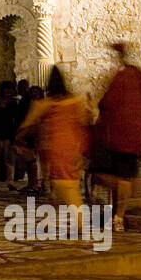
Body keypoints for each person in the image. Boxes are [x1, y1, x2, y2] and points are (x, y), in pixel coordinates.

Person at [94, 42, 141, 231]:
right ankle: (119, 215)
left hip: (116, 135)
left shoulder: (121, 77)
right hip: (131, 135)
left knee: (108, 176)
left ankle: (120, 213)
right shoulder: (139, 77)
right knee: (124, 177)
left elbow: (106, 103)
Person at [15, 67, 90, 208]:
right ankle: (63, 216)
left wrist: (19, 138)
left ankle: (70, 218)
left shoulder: (44, 105)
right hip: (72, 147)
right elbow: (83, 124)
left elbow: (27, 125)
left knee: (60, 184)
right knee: (69, 185)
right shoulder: (75, 101)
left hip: (52, 148)